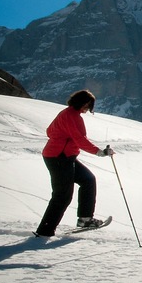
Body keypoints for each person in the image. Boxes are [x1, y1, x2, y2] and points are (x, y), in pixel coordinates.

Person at [35, 89, 115, 237]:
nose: (87, 109)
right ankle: (44, 231)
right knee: (62, 195)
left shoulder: (66, 113)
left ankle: (85, 219)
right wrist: (99, 152)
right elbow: (80, 139)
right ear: (82, 103)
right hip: (59, 157)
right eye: (87, 105)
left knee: (88, 180)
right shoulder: (71, 116)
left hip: (64, 156)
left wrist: (63, 139)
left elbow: (49, 131)